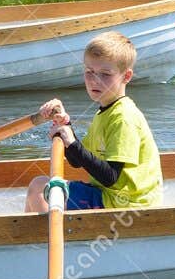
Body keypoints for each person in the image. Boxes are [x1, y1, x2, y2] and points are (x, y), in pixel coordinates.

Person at [25, 32, 163, 213]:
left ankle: (43, 240)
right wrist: (65, 126)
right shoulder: (105, 111)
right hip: (111, 196)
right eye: (90, 72)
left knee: (39, 189)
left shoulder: (123, 117)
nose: (95, 80)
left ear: (126, 76)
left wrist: (72, 142)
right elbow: (77, 161)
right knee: (39, 186)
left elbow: (110, 176)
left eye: (105, 74)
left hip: (127, 204)